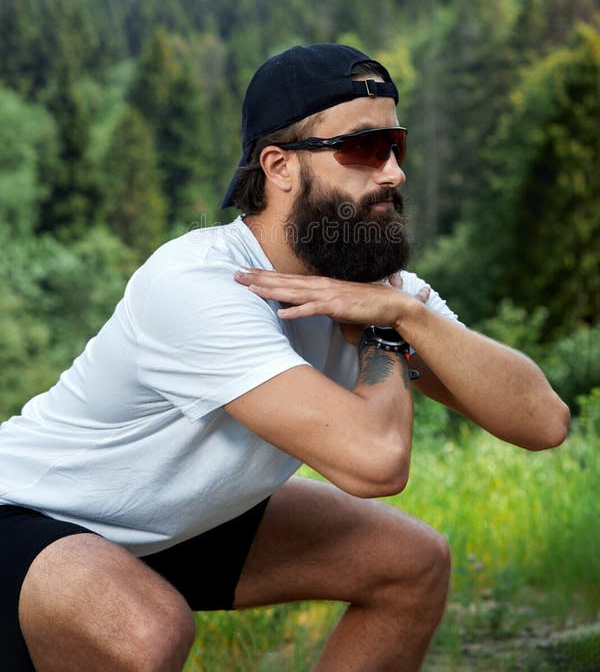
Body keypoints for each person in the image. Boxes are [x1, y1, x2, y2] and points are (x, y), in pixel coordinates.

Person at [0, 43, 569, 672]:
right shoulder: (202, 283)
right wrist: (386, 333)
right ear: (279, 166)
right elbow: (376, 464)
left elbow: (543, 421)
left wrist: (407, 315)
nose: (393, 172)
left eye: (396, 145)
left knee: (411, 566)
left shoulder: (374, 289)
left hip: (168, 522)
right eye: (362, 148)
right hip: (30, 512)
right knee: (144, 631)